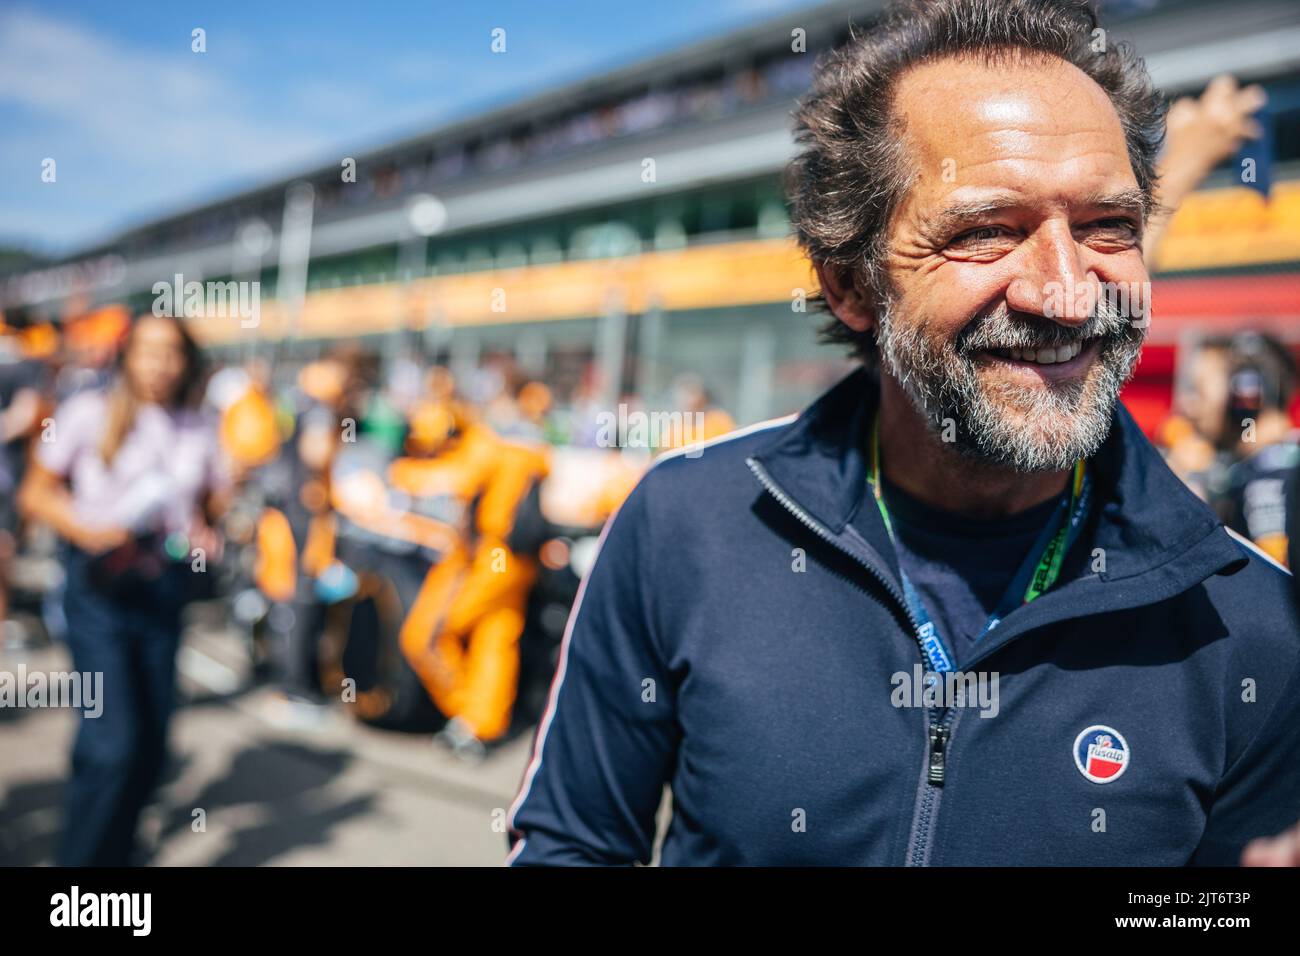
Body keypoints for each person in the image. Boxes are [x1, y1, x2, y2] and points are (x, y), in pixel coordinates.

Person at [506, 0, 1300, 866]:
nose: (1069, 294)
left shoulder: (1248, 619)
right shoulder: (689, 521)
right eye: (987, 232)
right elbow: (571, 846)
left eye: (1109, 227)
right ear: (850, 284)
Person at [18, 312, 226, 866]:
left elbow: (206, 506)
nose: (160, 363)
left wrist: (206, 531)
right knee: (110, 744)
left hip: (163, 591)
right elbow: (36, 494)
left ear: (188, 361)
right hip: (97, 592)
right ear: (127, 356)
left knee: (153, 744)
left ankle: (119, 856)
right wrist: (88, 529)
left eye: (172, 351)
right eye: (148, 350)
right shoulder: (88, 412)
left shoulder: (198, 425)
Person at [1210, 332, 1299, 567]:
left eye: (1200, 389)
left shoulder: (1266, 477)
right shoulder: (1268, 464)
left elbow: (1279, 573)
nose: (1191, 404)